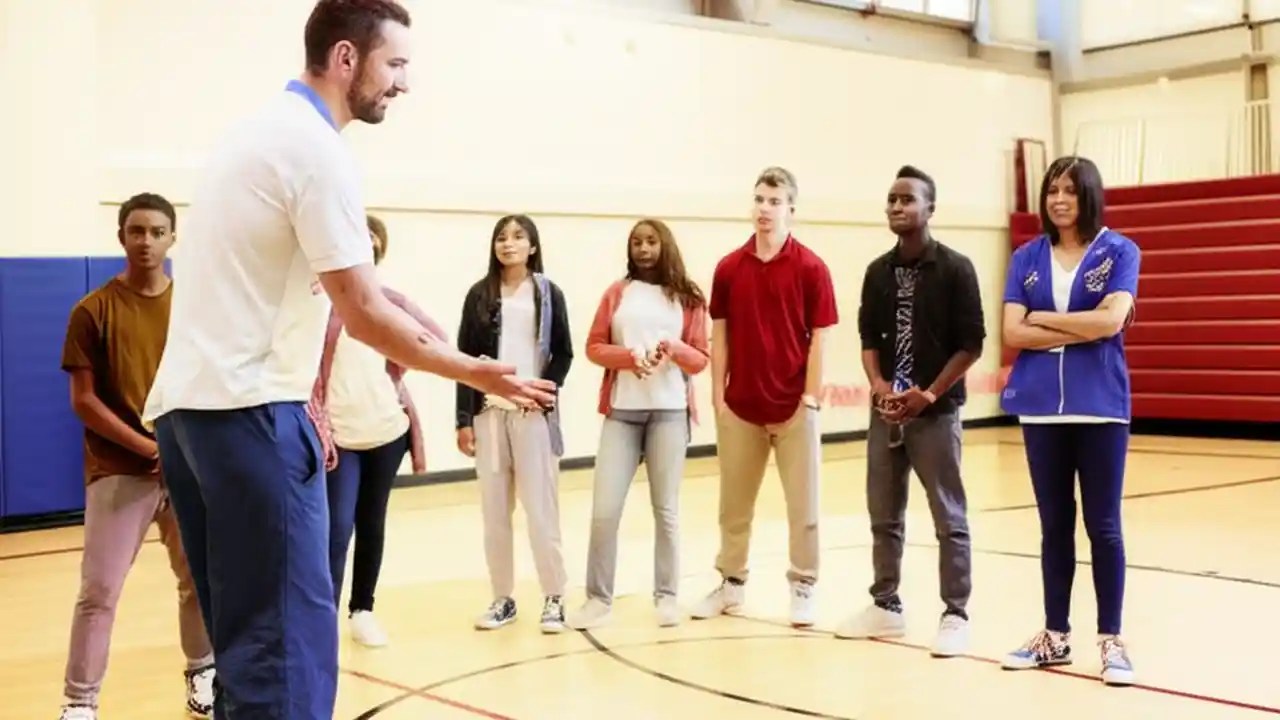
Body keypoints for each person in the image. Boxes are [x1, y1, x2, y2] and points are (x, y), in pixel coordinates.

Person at [141, 3, 556, 717]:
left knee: (243, 648)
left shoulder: (249, 135)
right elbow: (363, 308)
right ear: (344, 59)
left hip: (189, 422)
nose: (404, 83)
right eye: (394, 65)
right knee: (286, 653)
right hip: (252, 416)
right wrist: (471, 369)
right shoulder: (314, 149)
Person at [57, 193, 215, 720]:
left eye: (156, 231)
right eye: (136, 231)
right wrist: (148, 447)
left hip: (187, 468)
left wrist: (185, 450)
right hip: (121, 470)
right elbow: (84, 400)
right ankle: (80, 702)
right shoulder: (93, 310)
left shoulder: (194, 307)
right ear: (121, 236)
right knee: (98, 591)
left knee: (197, 580)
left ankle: (202, 676)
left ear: (173, 238)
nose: (145, 241)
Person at [998, 155, 1139, 686]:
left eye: (1070, 191)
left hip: (1101, 405)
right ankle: (1054, 636)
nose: (1059, 199)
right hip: (1040, 409)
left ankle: (1111, 640)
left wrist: (1045, 319)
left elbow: (1110, 321)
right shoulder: (1026, 256)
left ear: (1089, 196)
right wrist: (1081, 327)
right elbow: (1013, 331)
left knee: (1103, 527)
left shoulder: (1121, 251)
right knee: (1054, 526)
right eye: (1052, 189)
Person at [836, 165, 984, 657]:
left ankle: (955, 613)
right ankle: (886, 604)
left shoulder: (956, 268)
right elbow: (866, 336)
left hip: (935, 415)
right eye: (891, 199)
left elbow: (972, 343)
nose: (897, 206)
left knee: (948, 515)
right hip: (886, 414)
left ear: (930, 209)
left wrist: (930, 392)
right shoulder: (878, 271)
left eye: (907, 199)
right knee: (884, 513)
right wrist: (878, 386)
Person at [691, 166, 838, 628]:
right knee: (734, 507)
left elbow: (820, 338)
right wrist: (718, 398)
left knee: (804, 508)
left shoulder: (813, 268)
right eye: (758, 199)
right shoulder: (729, 269)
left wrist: (810, 398)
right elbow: (721, 336)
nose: (764, 209)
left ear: (791, 208)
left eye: (774, 201)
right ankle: (732, 584)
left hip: (795, 408)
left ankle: (803, 586)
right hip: (741, 409)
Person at [308, 213, 448, 648]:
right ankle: (322, 617)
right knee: (336, 530)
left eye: (372, 240)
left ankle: (362, 610)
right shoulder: (318, 300)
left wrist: (397, 368)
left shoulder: (390, 300)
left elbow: (435, 339)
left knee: (373, 523)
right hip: (340, 437)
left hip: (386, 431)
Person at [569, 218, 710, 630]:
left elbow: (700, 358)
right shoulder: (617, 293)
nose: (643, 249)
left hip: (669, 413)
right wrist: (630, 357)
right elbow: (595, 347)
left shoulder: (687, 298)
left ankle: (666, 596)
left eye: (650, 242)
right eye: (636, 242)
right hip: (622, 414)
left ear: (664, 246)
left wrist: (674, 348)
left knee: (665, 509)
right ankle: (598, 599)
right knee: (604, 510)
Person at [456, 214, 573, 634]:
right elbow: (464, 361)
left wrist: (545, 392)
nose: (508, 244)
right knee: (494, 512)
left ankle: (554, 596)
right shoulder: (479, 294)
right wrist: (463, 418)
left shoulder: (548, 294)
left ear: (533, 246)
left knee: (541, 509)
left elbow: (563, 352)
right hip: (489, 415)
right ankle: (503, 598)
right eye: (501, 237)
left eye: (518, 237)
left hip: (532, 416)